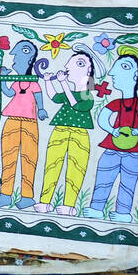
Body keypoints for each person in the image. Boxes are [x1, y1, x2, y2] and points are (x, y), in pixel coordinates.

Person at [37, 47, 98, 216]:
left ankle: (69, 205)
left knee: (76, 169)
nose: (67, 67)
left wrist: (64, 83)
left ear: (88, 71)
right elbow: (54, 97)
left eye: (78, 63)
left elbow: (78, 106)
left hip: (80, 134)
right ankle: (44, 201)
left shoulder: (88, 94)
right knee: (52, 164)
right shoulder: (67, 92)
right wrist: (49, 81)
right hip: (60, 130)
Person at [83, 50, 138, 222]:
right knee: (103, 177)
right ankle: (96, 209)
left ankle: (123, 213)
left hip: (134, 151)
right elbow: (102, 118)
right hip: (112, 147)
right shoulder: (116, 103)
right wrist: (111, 130)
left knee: (128, 183)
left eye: (123, 67)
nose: (113, 73)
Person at [0, 40, 47, 209]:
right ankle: (5, 195)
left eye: (17, 56)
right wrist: (3, 79)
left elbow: (39, 98)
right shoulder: (17, 82)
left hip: (30, 123)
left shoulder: (33, 82)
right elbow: (9, 92)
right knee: (8, 157)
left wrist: (41, 110)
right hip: (12, 121)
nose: (14, 60)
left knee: (29, 158)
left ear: (29, 58)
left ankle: (27, 196)